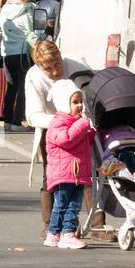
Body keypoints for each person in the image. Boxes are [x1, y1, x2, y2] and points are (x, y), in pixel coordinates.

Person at [24, 40, 92, 238]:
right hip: (52, 128)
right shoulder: (33, 77)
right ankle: (49, 225)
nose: (55, 71)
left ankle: (96, 223)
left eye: (57, 65)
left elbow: (93, 94)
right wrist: (61, 121)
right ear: (38, 66)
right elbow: (33, 115)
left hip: (81, 126)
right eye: (48, 68)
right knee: (53, 176)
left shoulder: (77, 68)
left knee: (88, 174)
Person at [43, 80, 91, 249]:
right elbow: (67, 139)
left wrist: (90, 130)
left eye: (81, 102)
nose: (80, 106)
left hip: (76, 172)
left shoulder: (76, 122)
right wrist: (83, 124)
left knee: (74, 204)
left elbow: (85, 142)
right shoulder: (58, 123)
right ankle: (60, 233)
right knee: (62, 204)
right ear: (64, 104)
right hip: (64, 173)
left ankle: (62, 233)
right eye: (75, 102)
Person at [0, 0, 37, 131]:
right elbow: (30, 33)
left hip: (7, 52)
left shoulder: (4, 9)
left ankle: (7, 120)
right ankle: (16, 121)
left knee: (11, 87)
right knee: (23, 87)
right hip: (21, 52)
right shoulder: (27, 9)